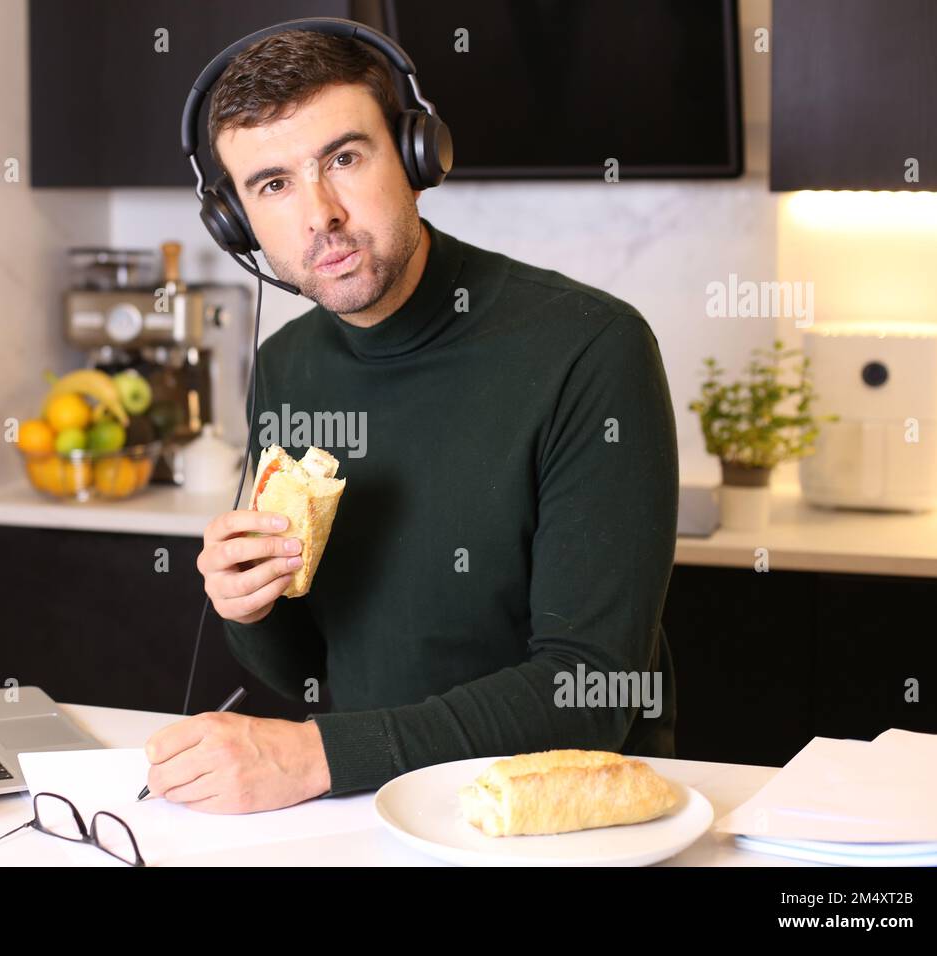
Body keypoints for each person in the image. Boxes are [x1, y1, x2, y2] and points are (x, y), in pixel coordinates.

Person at [143, 28, 678, 814]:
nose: (319, 214)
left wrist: (320, 752)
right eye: (272, 185)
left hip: (559, 820)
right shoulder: (289, 364)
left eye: (344, 159)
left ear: (418, 157)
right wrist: (248, 606)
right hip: (371, 807)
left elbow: (592, 690)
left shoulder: (591, 347)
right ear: (235, 220)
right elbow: (315, 672)